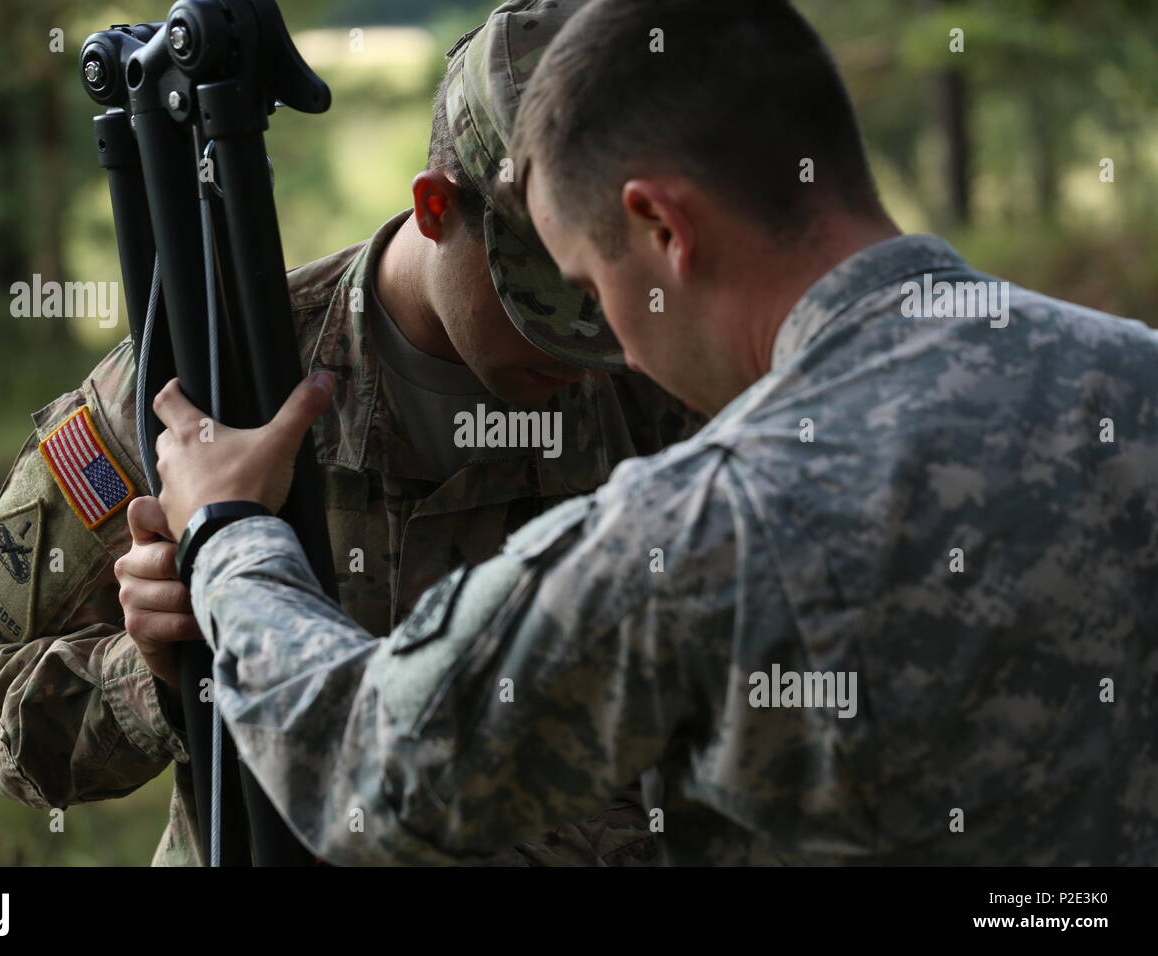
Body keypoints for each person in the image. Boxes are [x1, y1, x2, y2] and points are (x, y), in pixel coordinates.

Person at [148, 0, 1158, 865]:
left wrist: (229, 532)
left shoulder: (709, 523)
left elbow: (368, 764)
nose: (619, 356)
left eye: (593, 286)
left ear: (662, 228)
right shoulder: (1135, 373)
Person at [0, 0, 699, 866]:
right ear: (435, 207)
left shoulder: (666, 381)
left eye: (612, 301)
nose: (586, 349)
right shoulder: (202, 387)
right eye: (548, 301)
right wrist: (159, 673)